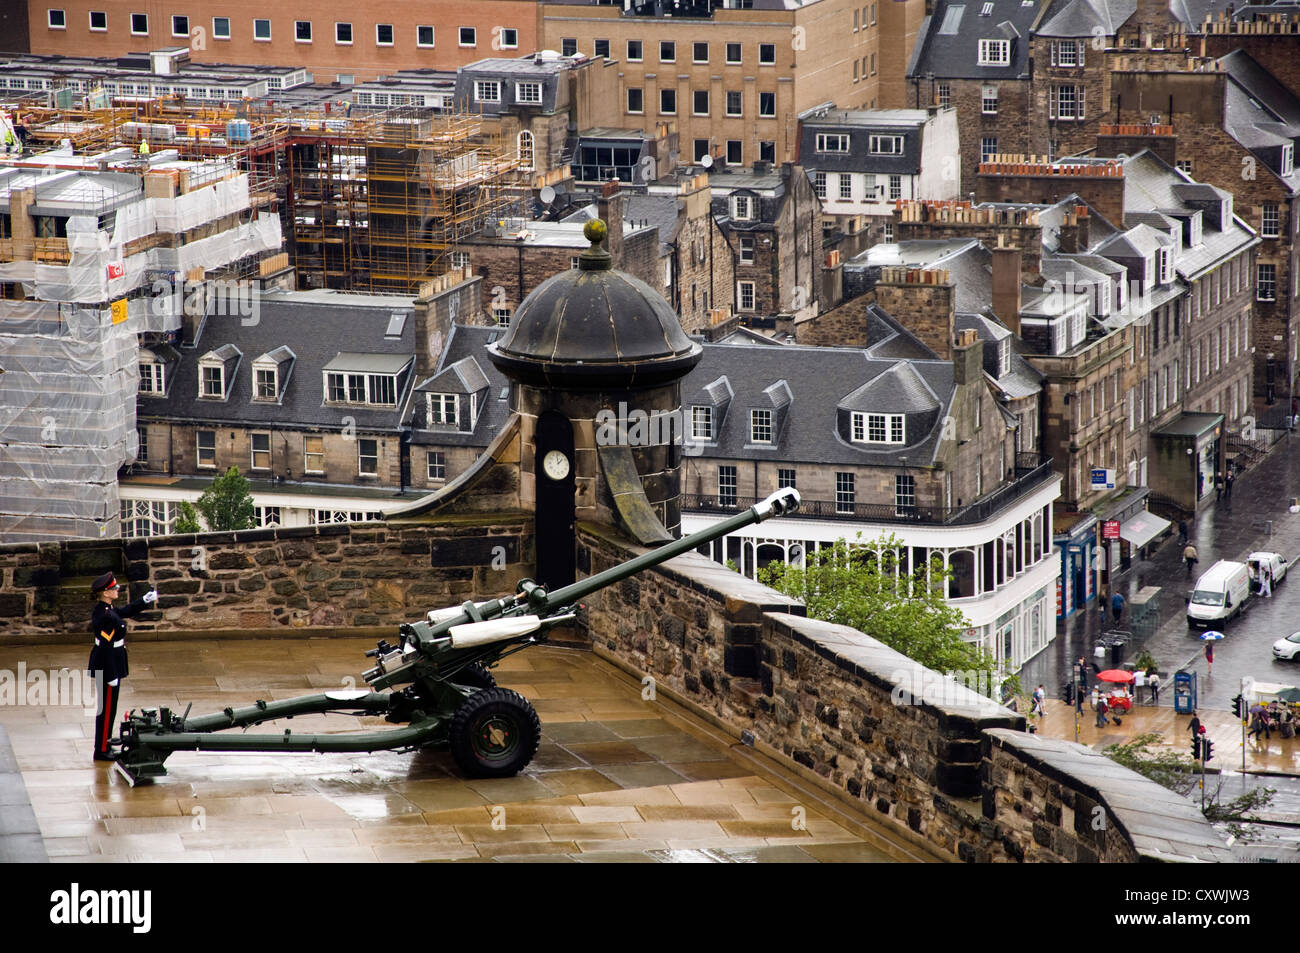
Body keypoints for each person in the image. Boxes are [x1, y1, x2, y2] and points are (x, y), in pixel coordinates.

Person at [88, 572, 156, 762]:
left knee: (110, 708)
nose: (117, 589)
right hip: (108, 664)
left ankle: (105, 743)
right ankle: (101, 750)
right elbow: (105, 648)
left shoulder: (107, 609)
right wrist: (110, 673)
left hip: (113, 661)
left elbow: (124, 612)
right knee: (106, 709)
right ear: (105, 593)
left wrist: (144, 600)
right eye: (114, 588)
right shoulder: (105, 616)